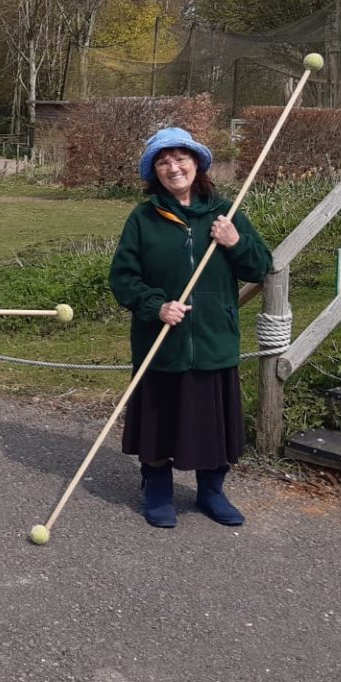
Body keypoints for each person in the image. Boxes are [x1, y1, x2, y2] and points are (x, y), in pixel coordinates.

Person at [109, 127, 272, 529]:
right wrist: (155, 305)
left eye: (180, 158)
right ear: (154, 173)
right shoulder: (144, 218)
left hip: (214, 340)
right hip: (161, 343)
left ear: (196, 163)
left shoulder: (225, 214)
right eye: (163, 162)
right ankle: (159, 490)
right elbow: (123, 279)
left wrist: (235, 241)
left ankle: (211, 492)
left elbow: (259, 267)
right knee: (160, 419)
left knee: (211, 424)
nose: (173, 167)